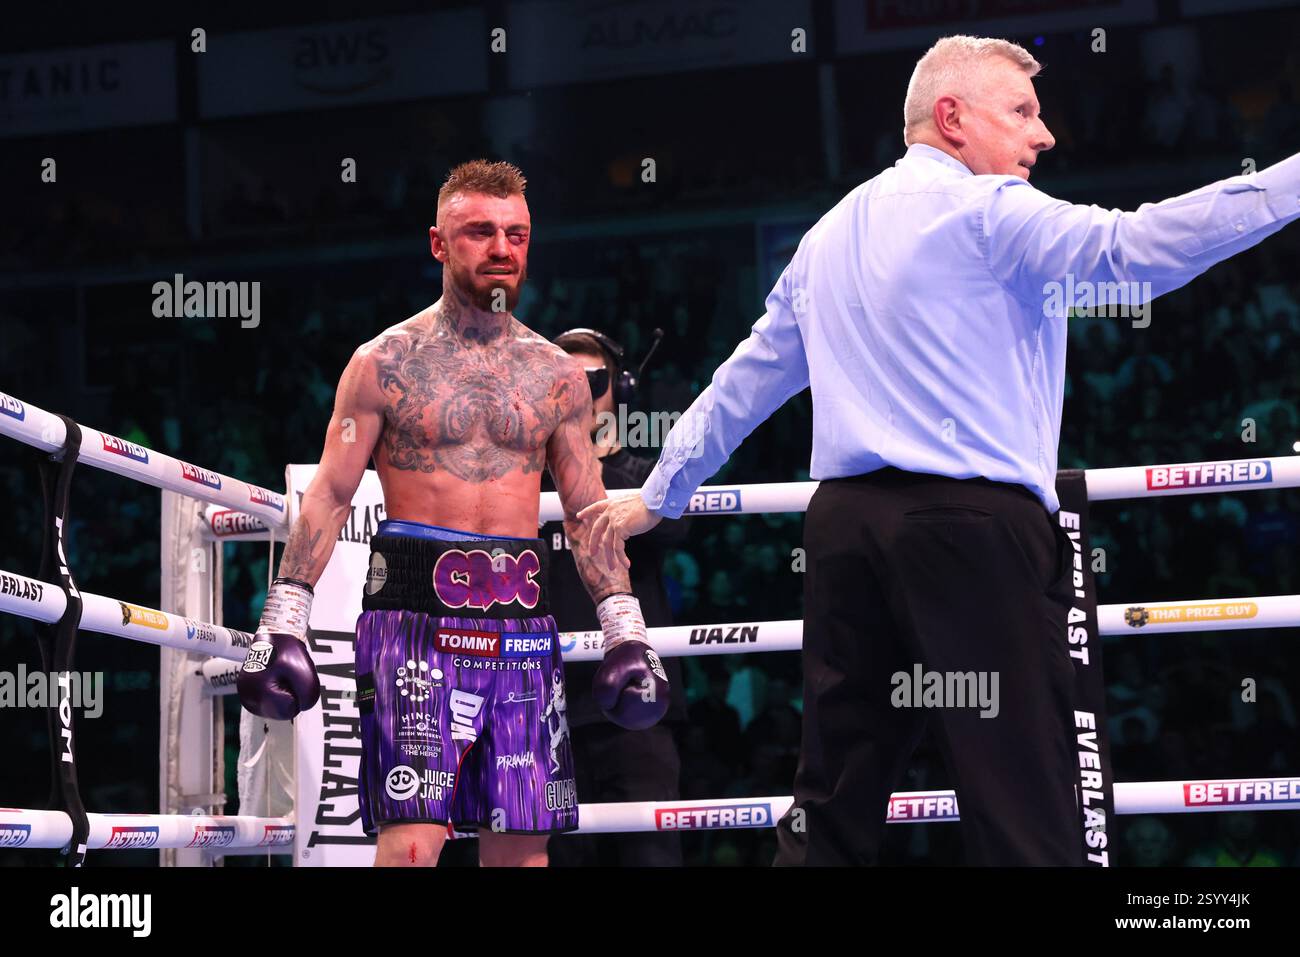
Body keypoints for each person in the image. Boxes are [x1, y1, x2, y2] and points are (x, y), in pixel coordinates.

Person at [581, 34, 1300, 865]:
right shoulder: (991, 212)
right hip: (971, 532)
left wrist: (663, 491)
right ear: (952, 118)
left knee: (833, 806)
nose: (1045, 135)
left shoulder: (829, 233)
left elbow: (748, 380)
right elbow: (1131, 257)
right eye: (1023, 112)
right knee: (1020, 793)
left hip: (846, 535)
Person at [235, 159, 672, 867]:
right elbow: (331, 491)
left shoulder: (557, 375)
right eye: (479, 231)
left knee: (524, 847)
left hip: (522, 621)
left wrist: (624, 626)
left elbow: (588, 508)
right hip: (415, 619)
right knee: (412, 842)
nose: (502, 247)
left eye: (517, 233)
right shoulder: (381, 363)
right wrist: (283, 616)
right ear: (438, 243)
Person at [542, 328, 689, 866]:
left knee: (650, 858)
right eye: (567, 380)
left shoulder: (642, 481)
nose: (581, 391)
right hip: (544, 710)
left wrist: (600, 464)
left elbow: (677, 530)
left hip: (637, 701)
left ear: (618, 391)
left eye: (594, 380)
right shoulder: (524, 484)